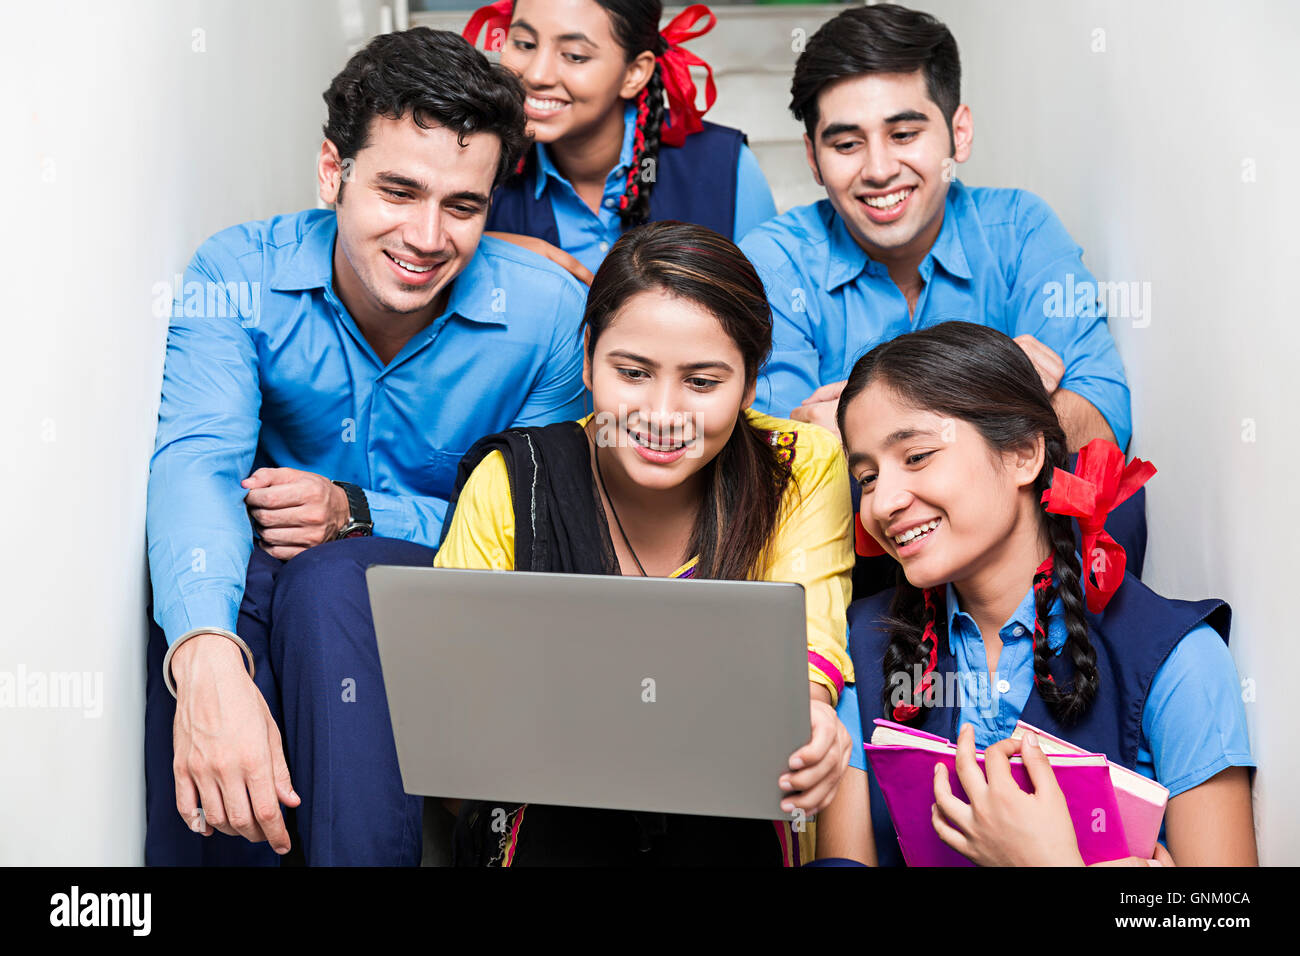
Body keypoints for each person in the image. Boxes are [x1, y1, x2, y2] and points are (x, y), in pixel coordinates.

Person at [145, 28, 590, 866]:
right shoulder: (239, 270)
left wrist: (358, 511)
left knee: (331, 576)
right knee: (220, 600)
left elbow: (539, 529)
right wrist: (201, 659)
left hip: (456, 609)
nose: (427, 236)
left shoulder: (544, 318)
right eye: (397, 190)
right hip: (283, 602)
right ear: (331, 173)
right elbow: (197, 462)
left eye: (463, 206)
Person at [433, 221, 852, 866]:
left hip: (730, 828)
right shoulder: (515, 480)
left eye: (703, 382)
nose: (662, 412)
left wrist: (811, 717)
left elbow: (808, 632)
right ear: (588, 361)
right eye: (632, 372)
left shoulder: (798, 464)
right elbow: (458, 700)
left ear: (749, 382)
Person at [816, 322, 1257, 866]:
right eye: (865, 477)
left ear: (1024, 453)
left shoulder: (1179, 662)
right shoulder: (858, 646)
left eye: (916, 456)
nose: (882, 504)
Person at [740, 4, 1130, 456]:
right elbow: (777, 454)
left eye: (904, 134)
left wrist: (859, 427)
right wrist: (999, 388)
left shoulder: (1021, 230)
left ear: (958, 133)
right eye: (847, 144)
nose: (879, 170)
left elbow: (1101, 423)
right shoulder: (773, 262)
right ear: (813, 158)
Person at [464, 0, 777, 278]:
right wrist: (494, 249)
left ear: (635, 73)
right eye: (525, 44)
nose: (536, 75)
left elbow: (768, 324)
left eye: (574, 55)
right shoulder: (480, 163)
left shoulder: (723, 166)